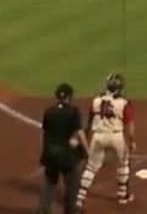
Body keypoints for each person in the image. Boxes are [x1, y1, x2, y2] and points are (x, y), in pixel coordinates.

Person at [75, 73, 136, 210]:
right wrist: (131, 142)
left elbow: (89, 123)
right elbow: (130, 126)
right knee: (123, 163)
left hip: (98, 136)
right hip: (116, 137)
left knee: (91, 167)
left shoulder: (96, 100)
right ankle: (122, 196)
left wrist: (86, 136)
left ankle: (79, 198)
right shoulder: (123, 103)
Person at [37, 82, 88, 214]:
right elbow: (80, 133)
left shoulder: (48, 111)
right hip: (65, 155)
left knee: (49, 184)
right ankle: (70, 211)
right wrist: (86, 151)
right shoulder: (73, 111)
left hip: (50, 153)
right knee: (72, 185)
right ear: (69, 97)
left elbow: (46, 131)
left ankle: (42, 211)